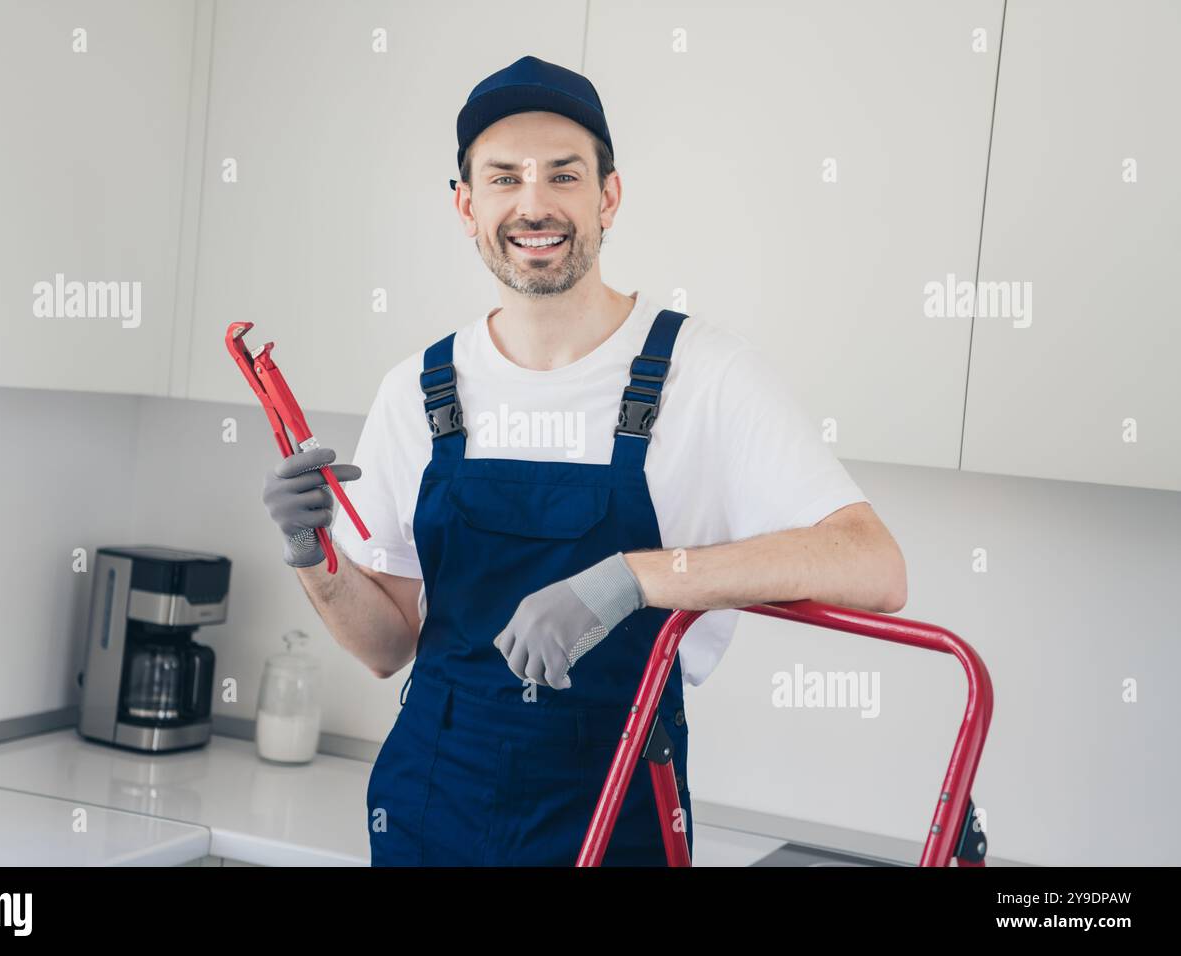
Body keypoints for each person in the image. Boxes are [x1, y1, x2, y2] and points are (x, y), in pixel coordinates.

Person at [262, 55, 907, 866]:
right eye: (503, 179)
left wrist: (631, 579)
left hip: (614, 816)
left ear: (607, 196)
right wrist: (311, 556)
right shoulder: (418, 391)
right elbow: (388, 646)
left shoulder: (705, 376)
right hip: (431, 808)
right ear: (466, 206)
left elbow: (873, 566)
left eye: (562, 176)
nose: (533, 205)